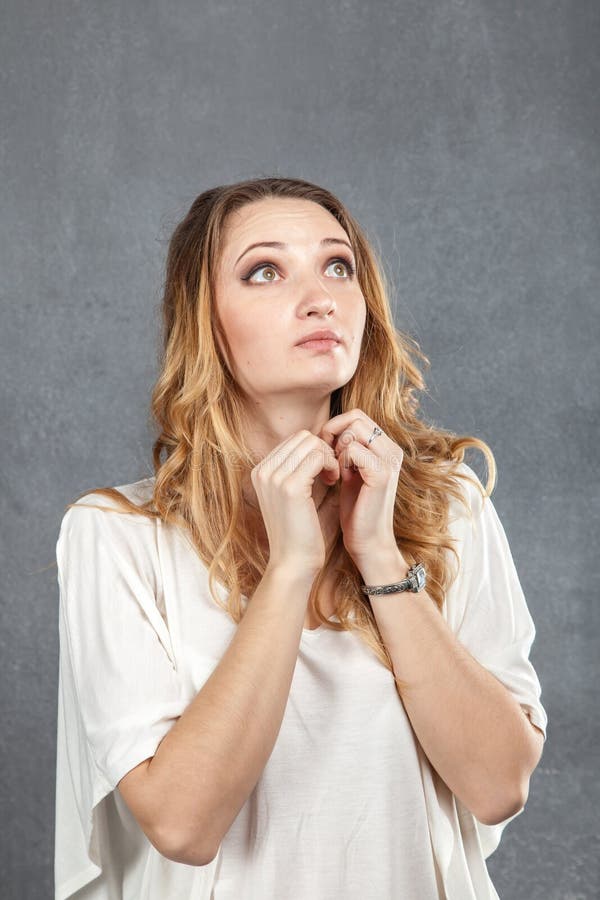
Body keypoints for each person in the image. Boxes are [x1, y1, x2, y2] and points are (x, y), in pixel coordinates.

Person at [54, 176, 547, 900]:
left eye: (338, 266)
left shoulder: (448, 508)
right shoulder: (116, 536)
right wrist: (290, 570)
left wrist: (380, 555)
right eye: (265, 271)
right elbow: (184, 825)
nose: (320, 298)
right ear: (206, 321)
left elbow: (499, 786)